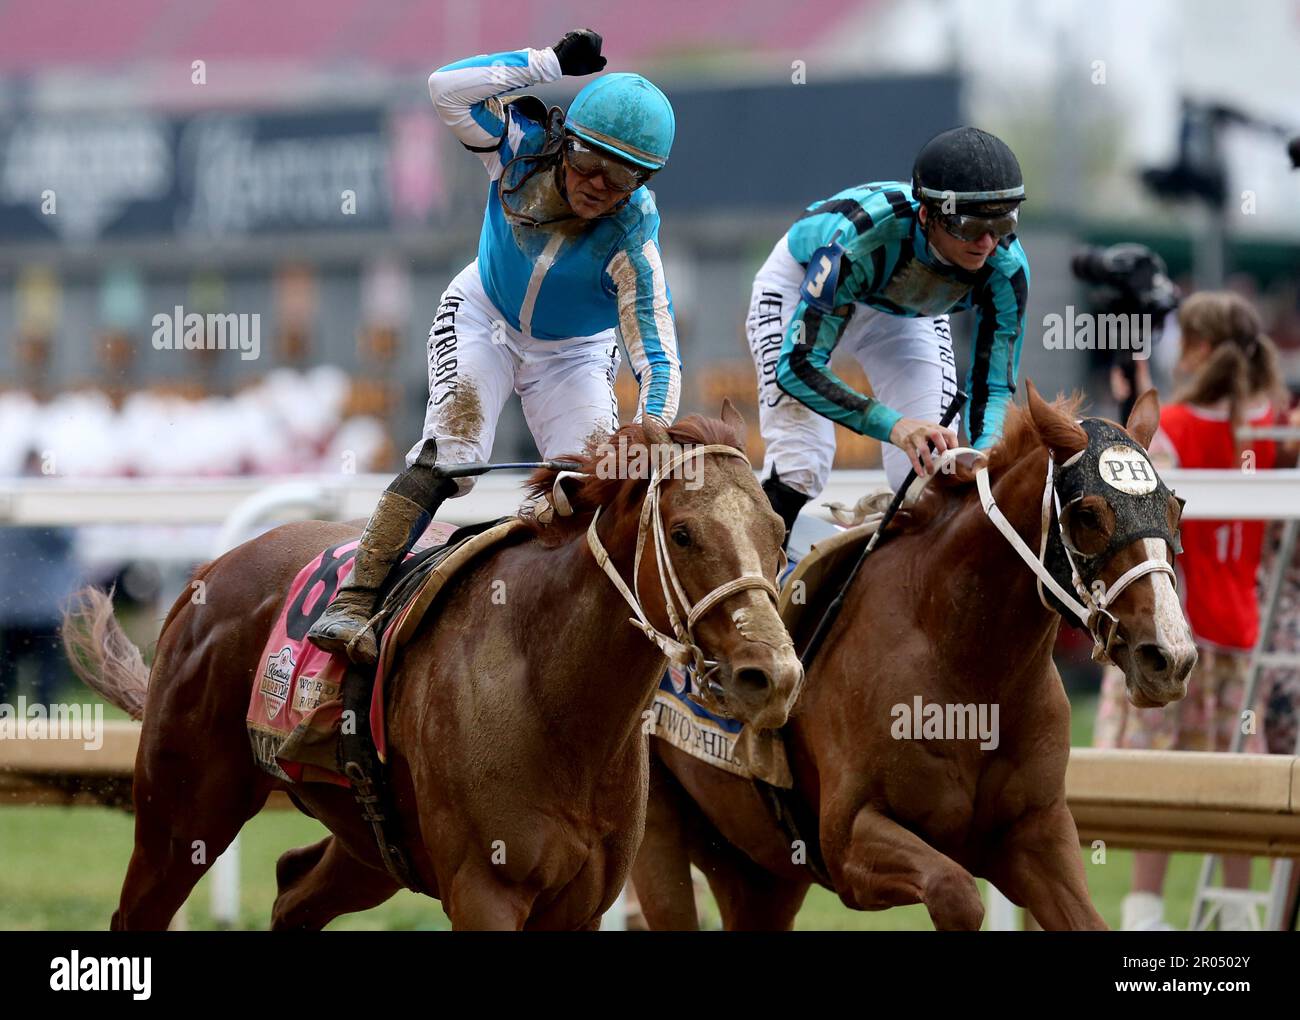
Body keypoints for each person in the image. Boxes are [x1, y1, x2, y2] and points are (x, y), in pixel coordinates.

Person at [309, 29, 682, 663]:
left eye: (621, 177)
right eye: (589, 161)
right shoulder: (519, 149)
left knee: (590, 482)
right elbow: (446, 90)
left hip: (575, 353)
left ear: (643, 182)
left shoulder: (634, 240)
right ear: (564, 139)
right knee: (454, 455)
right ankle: (355, 601)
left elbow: (660, 360)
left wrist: (648, 432)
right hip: (484, 313)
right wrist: (544, 65)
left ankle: (569, 637)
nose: (597, 184)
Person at [1093, 290, 1295, 930]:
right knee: (1234, 786)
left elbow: (1135, 498)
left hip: (1175, 628)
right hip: (1243, 631)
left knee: (1156, 779)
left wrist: (1136, 408)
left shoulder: (1174, 429)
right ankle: (1238, 919)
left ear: (1200, 350)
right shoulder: (1270, 425)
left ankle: (1145, 917)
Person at [747, 126, 1030, 543]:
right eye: (969, 225)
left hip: (905, 313)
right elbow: (797, 366)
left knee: (933, 473)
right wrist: (894, 425)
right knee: (802, 462)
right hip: (803, 282)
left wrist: (989, 454)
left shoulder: (1007, 268)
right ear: (926, 215)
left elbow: (993, 385)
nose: (988, 242)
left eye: (1003, 221)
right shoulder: (859, 243)